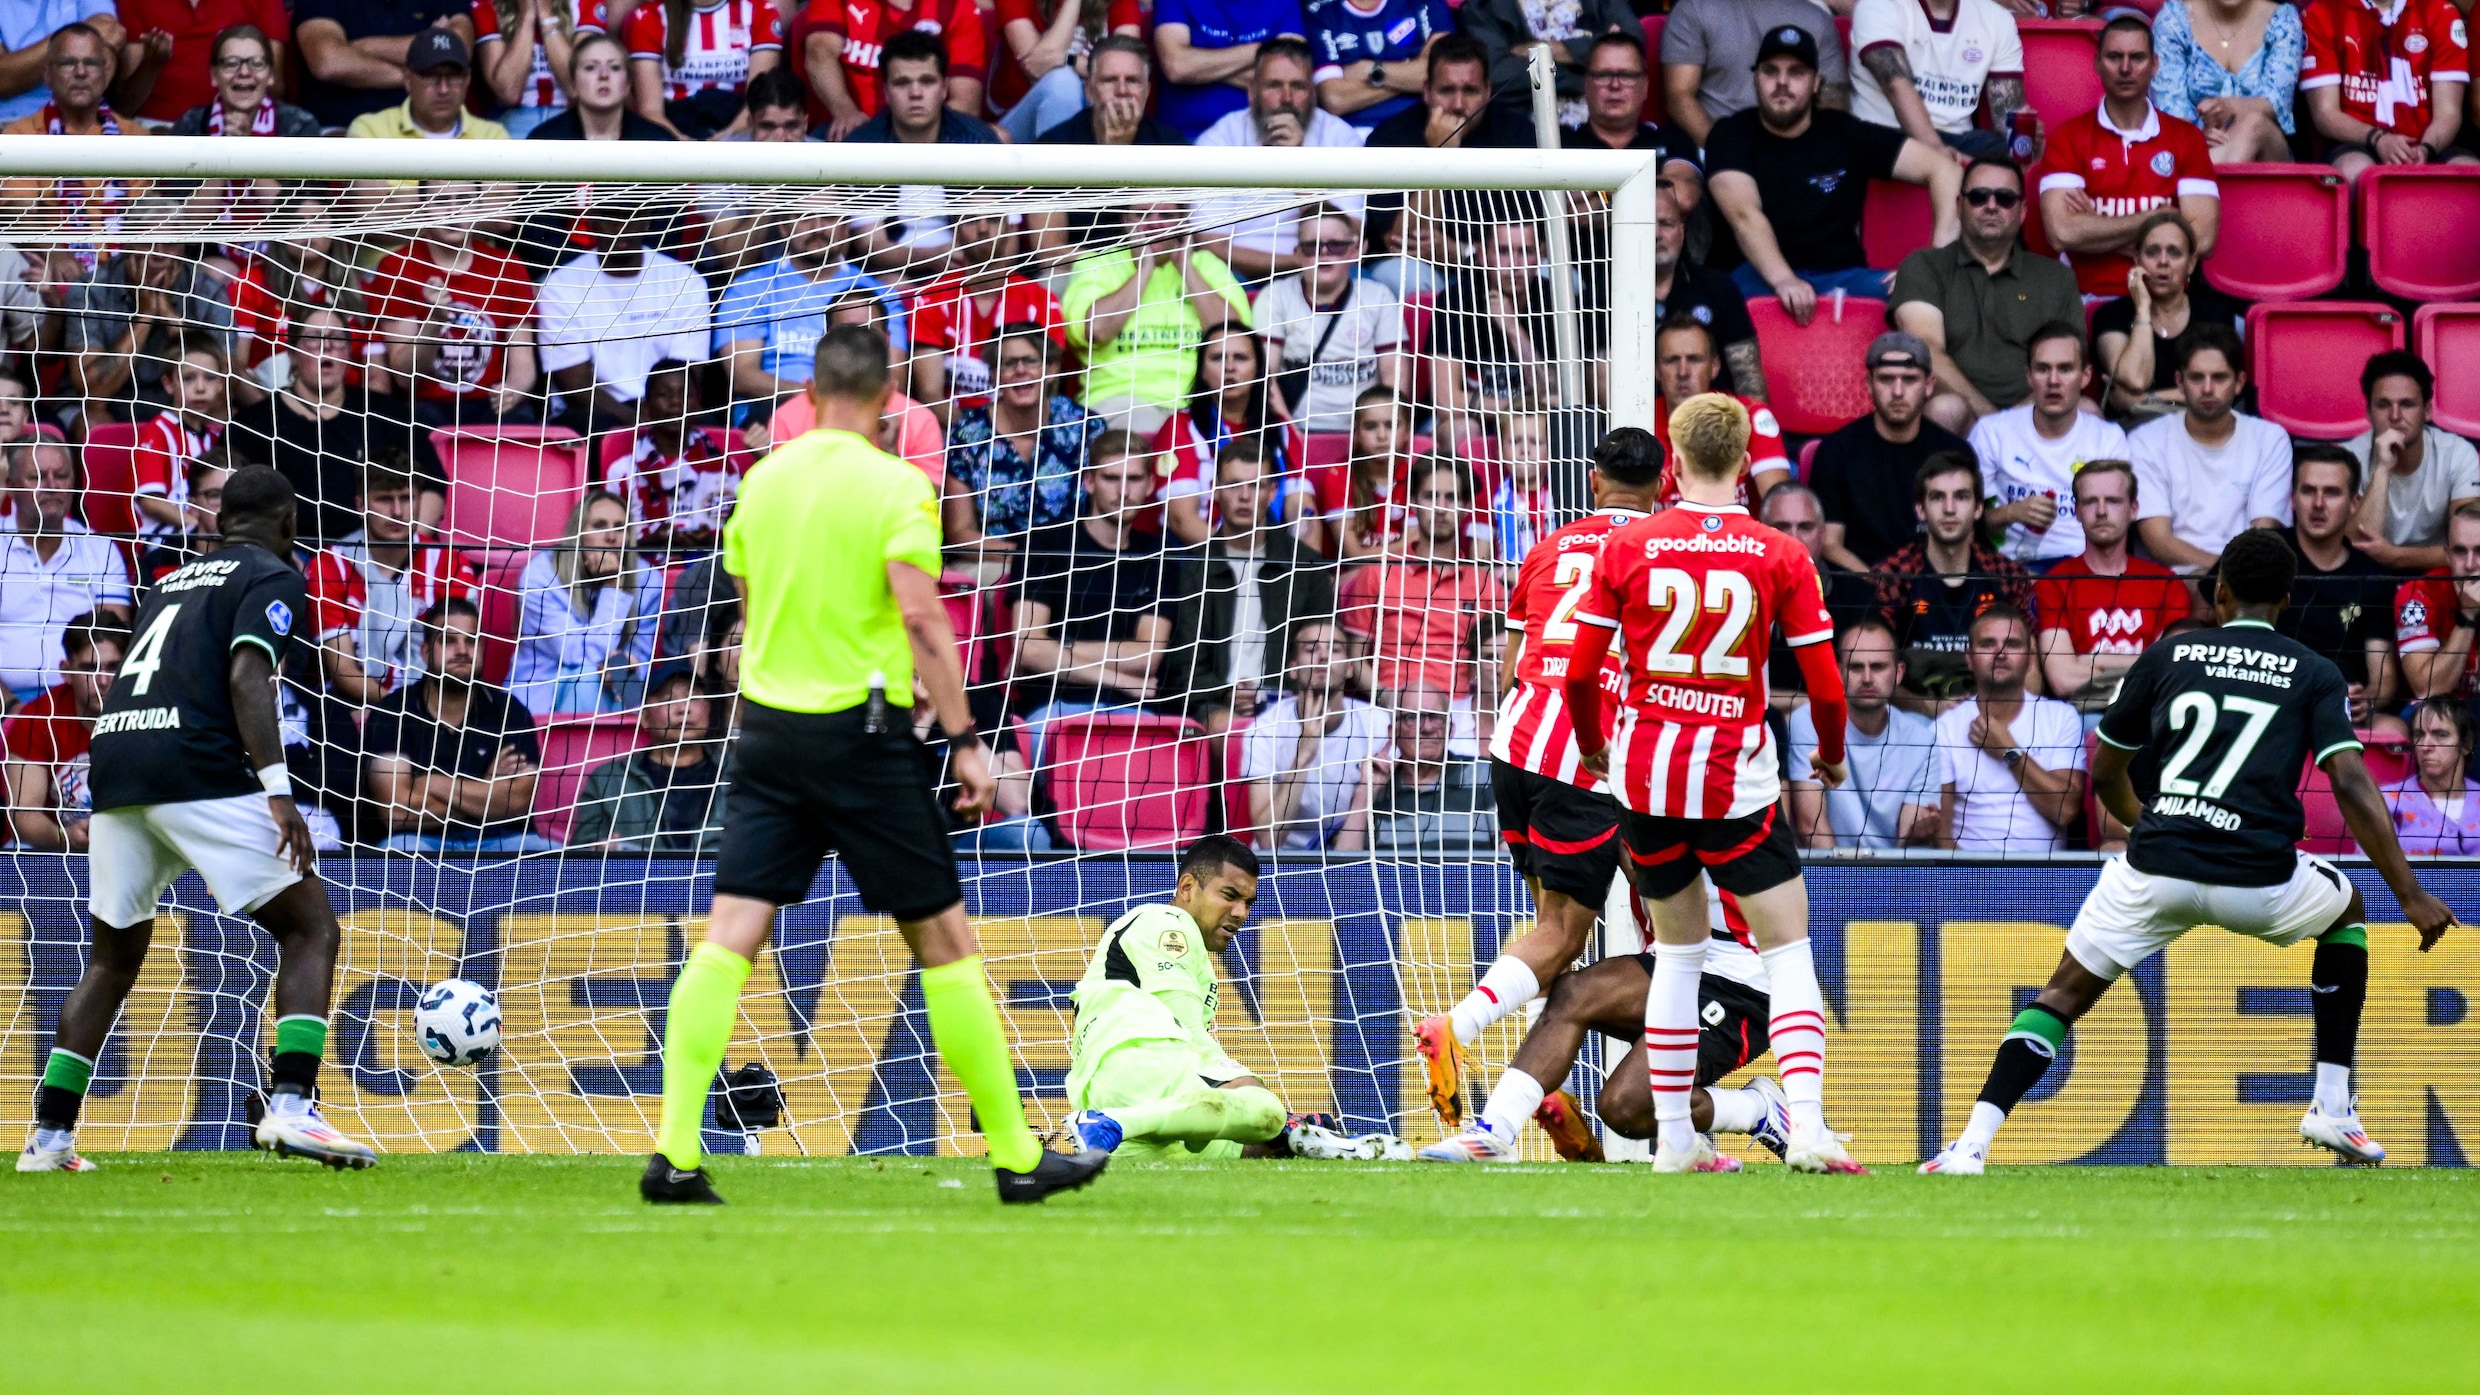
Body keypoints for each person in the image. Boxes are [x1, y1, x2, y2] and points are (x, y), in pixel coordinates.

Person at [641, 324, 1105, 1204]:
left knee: (732, 932)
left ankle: (674, 1153)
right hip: (862, 733)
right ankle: (1014, 1155)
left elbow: (747, 610)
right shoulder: (897, 485)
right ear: (891, 397)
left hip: (770, 733)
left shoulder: (762, 483)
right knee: (943, 939)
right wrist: (967, 740)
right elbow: (924, 619)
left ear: (808, 395)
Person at [1922, 528, 2458, 1174]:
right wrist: (2410, 892)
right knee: (2346, 911)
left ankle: (1971, 1145)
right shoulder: (2315, 672)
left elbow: (2106, 771)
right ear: (2286, 600)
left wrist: (2148, 822)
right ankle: (2332, 1104)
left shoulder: (2168, 656)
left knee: (2061, 994)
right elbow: (2349, 779)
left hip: (2156, 865)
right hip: (2260, 879)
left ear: (2220, 593)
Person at [20, 467, 380, 1174]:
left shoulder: (169, 581)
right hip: (194, 764)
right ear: (287, 521)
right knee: (310, 926)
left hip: (118, 764)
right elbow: (249, 678)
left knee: (112, 958)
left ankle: (50, 1136)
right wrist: (279, 793)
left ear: (220, 521)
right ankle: (292, 1104)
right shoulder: (273, 574)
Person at [1561, 393, 1859, 1175]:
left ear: (1674, 460)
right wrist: (1829, 754)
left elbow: (1582, 671)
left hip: (1649, 779)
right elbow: (1825, 687)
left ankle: (1675, 1141)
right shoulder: (1779, 553)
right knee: (1788, 952)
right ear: (1743, 464)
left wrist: (1594, 746)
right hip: (1735, 784)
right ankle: (1807, 1128)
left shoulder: (1628, 548)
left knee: (1681, 954)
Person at [1414, 426, 1659, 1146]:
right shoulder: (1662, 550)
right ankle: (1452, 1028)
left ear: (1592, 479)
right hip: (1591, 755)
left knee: (1551, 941)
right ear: (1661, 483)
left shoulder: (1551, 546)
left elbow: (1516, 655)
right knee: (1562, 936)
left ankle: (1539, 1104)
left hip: (1514, 746)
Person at [1066, 837, 1377, 1160]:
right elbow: (1188, 1032)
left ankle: (1109, 1126)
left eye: (1248, 903)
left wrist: (1281, 1138)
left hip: (1117, 1094)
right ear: (1187, 887)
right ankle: (1107, 1122)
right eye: (1229, 896)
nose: (1240, 913)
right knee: (1263, 1109)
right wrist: (1253, 1097)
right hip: (1132, 1062)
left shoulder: (1190, 955)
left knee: (1251, 1148)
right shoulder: (1166, 923)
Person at [1420, 902, 1794, 1163]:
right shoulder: (1630, 801)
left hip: (1740, 981)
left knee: (1625, 1108)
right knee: (1574, 993)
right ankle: (1494, 1133)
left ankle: (1756, 1111)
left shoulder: (1696, 802)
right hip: (1671, 962)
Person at [1706, 25, 1963, 322]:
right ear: (1756, 78)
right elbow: (1745, 218)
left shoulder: (1844, 132)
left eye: (1796, 72)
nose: (1782, 82)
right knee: (1726, 306)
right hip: (1757, 278)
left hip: (1844, 278)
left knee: (1920, 298)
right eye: (1770, 71)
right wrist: (1784, 280)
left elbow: (1944, 169)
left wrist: (1934, 264)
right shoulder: (1730, 134)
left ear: (1816, 82)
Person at [1010, 435, 1181, 751]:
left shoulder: (1158, 557)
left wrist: (1058, 650)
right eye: (1111, 478)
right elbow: (1029, 650)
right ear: (1089, 482)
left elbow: (1147, 657)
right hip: (1053, 710)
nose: (1123, 491)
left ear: (1149, 485)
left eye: (1134, 479)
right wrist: (1120, 678)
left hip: (1134, 713)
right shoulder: (1046, 545)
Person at [2034, 16, 2222, 299]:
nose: (2125, 68)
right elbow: (2062, 233)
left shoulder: (2187, 138)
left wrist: (2096, 226)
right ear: (2097, 63)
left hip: (2166, 301)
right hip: (2089, 298)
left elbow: (2204, 240)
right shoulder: (2067, 138)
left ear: (2155, 65)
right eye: (2114, 57)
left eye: (2137, 57)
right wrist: (2155, 219)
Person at [1891, 161, 2084, 436]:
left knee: (2086, 411)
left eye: (2005, 199)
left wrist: (2016, 422)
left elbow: (2071, 362)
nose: (1991, 206)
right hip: (1964, 416)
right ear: (1959, 206)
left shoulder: (2057, 277)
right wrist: (1992, 421)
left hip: (2037, 417)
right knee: (1946, 409)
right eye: (1979, 197)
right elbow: (1927, 351)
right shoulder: (1924, 265)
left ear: (2023, 212)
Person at [228, 309, 446, 548]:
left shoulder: (387, 414)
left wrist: (406, 548)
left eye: (337, 339)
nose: (328, 348)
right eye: (315, 339)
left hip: (377, 555)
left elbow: (433, 484)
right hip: (288, 558)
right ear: (291, 353)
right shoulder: (253, 425)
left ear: (349, 353)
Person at [1164, 438, 1335, 725]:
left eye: (1255, 486)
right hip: (1215, 705)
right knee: (1231, 732)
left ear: (1272, 493)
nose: (1244, 496)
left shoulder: (1307, 566)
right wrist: (1226, 693)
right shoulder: (1192, 569)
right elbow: (1184, 666)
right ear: (1215, 491)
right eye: (1233, 485)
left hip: (1289, 703)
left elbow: (1325, 652)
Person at [362, 597, 550, 854]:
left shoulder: (510, 712)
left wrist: (430, 783)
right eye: (449, 640)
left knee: (547, 852)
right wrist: (485, 788)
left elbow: (518, 801)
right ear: (426, 651)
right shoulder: (393, 711)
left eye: (471, 641)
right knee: (396, 851)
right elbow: (395, 812)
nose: (462, 650)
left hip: (501, 841)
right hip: (422, 843)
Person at [1061, 200, 1249, 436]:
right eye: (1143, 215)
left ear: (1182, 222)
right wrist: (1144, 270)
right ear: (1126, 220)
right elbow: (1095, 330)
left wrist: (1187, 270)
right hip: (1120, 402)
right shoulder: (1097, 263)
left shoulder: (1208, 266)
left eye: (1165, 215)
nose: (1154, 224)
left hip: (1198, 404)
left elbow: (1235, 336)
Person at [301, 456, 480, 703]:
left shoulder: (452, 564)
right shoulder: (328, 566)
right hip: (357, 706)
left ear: (419, 503)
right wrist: (398, 713)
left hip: (437, 704)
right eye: (384, 499)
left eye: (407, 498)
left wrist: (421, 715)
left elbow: (458, 657)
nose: (397, 511)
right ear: (360, 504)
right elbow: (343, 670)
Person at [1194, 40, 1371, 282]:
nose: (1286, 98)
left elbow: (1351, 235)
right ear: (1252, 91)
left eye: (1297, 86)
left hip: (1325, 271)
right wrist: (1300, 263)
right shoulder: (1220, 140)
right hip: (1239, 274)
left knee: (1363, 281)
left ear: (1312, 93)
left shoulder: (1340, 138)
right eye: (1274, 86)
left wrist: (1296, 160)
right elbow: (1212, 247)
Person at [1872, 452, 2037, 709]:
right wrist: (1927, 707)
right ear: (1920, 509)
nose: (1949, 508)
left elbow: (2032, 670)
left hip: (1994, 714)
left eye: (1961, 497)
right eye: (1938, 497)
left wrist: (1990, 714)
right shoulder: (1892, 576)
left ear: (1979, 508)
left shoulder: (2007, 576)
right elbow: (1872, 671)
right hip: (1915, 717)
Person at [537, 202, 712, 439]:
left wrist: (655, 417)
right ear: (591, 220)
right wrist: (634, 420)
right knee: (591, 425)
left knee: (710, 427)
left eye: (631, 216)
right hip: (595, 413)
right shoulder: (559, 286)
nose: (621, 227)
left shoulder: (685, 281)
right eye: (610, 216)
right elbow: (575, 386)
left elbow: (688, 375)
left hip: (669, 409)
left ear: (648, 219)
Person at [2129, 322, 2292, 574]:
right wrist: (2220, 571)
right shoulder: (2146, 441)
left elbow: (2263, 533)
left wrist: (2226, 575)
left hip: (2247, 578)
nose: (2207, 388)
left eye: (2219, 377)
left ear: (2239, 382)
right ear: (2179, 383)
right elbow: (2158, 542)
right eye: (2196, 377)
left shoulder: (2269, 439)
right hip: (2173, 579)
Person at [2032, 460, 2191, 717]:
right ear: (2076, 510)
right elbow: (2061, 679)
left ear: (2133, 509)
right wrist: (2143, 669)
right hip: (2083, 716)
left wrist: (2092, 661)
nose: (2102, 511)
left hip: (2150, 714)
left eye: (2113, 501)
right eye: (2091, 501)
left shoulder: (2166, 584)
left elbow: (2174, 672)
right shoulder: (2054, 583)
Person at [1335, 457, 1504, 699]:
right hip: (1391, 707)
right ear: (1413, 502)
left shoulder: (1486, 586)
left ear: (1466, 506)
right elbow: (1355, 658)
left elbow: (1499, 662)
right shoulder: (1378, 573)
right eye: (1431, 496)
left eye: (1452, 497)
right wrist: (1386, 698)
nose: (1441, 507)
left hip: (1462, 712)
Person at [715, 212, 906, 424]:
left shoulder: (881, 295)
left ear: (846, 226)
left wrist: (835, 402)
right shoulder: (748, 289)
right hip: (769, 418)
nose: (817, 227)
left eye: (828, 218)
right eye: (804, 218)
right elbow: (742, 376)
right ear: (783, 227)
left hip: (859, 415)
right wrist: (817, 397)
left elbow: (895, 376)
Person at [365, 199, 542, 425]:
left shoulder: (508, 266)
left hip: (490, 403)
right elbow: (405, 378)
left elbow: (524, 364)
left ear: (478, 208)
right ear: (423, 209)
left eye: (464, 201)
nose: (453, 211)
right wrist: (435, 320)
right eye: (440, 202)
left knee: (521, 419)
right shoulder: (397, 266)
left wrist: (513, 389)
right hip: (425, 405)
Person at [1970, 324, 2132, 568]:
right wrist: (2011, 513)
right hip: (2009, 569)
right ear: (2029, 376)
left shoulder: (2108, 438)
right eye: (2043, 369)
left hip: (2083, 569)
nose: (2053, 381)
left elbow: (2119, 521)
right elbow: (1963, 521)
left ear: (2085, 376)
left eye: (2065, 369)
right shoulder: (1992, 432)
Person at [1811, 330, 1972, 572]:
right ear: (1869, 384)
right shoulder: (1836, 451)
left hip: (1933, 586)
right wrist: (1880, 587)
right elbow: (1830, 544)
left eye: (1909, 379)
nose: (1897, 391)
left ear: (1929, 386)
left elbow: (1964, 539)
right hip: (1861, 586)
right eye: (1886, 379)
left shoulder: (1954, 452)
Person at [1934, 605, 2087, 852]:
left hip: (2046, 877)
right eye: (1987, 644)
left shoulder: (2061, 717)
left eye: (2013, 644)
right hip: (1970, 876)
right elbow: (1941, 837)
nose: (2000, 653)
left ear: (2029, 659)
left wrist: (2008, 751)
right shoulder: (1945, 728)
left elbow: (2065, 811)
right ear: (1969, 658)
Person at [944, 324, 1105, 551]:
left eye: (1030, 361)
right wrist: (1024, 564)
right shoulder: (967, 435)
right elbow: (960, 532)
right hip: (993, 563)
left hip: (1072, 564)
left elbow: (1105, 515)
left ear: (1051, 369)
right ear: (994, 373)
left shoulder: (1085, 427)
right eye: (1009, 363)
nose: (1020, 370)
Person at [1428, 220, 1583, 453]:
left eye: (1525, 252)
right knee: (1461, 429)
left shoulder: (1554, 300)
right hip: (1479, 419)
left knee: (1567, 422)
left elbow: (1557, 395)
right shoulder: (1455, 301)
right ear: (1482, 255)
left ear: (1540, 256)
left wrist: (1513, 329)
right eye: (1503, 251)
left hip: (1535, 423)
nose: (1515, 265)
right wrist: (1515, 408)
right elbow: (1446, 401)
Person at [2281, 444, 2405, 734]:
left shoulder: (2373, 577)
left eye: (2332, 492)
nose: (2319, 503)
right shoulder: (2261, 554)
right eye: (2309, 490)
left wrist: (2368, 701)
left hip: (2339, 708)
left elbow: (2383, 674)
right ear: (2292, 499)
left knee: (2394, 731)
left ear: (2353, 504)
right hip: (2269, 698)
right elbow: (2212, 622)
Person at [1788, 617, 1940, 850]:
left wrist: (1919, 833)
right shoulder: (1812, 721)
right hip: (1829, 872)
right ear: (1838, 672)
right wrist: (1844, 884)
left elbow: (1907, 841)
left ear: (1898, 673)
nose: (1867, 678)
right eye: (1856, 667)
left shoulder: (1922, 740)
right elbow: (1811, 828)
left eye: (1878, 666)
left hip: (1892, 875)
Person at [0, 440, 133, 704]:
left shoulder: (100, 549)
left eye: (61, 476)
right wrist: (12, 706)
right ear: (12, 486)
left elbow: (113, 642)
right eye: (37, 477)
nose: (52, 485)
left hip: (81, 703)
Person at [509, 490, 664, 716]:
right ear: (578, 533)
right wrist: (613, 586)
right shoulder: (539, 577)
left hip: (618, 691)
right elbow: (576, 653)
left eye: (620, 527)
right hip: (541, 695)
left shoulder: (648, 579)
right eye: (599, 525)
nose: (611, 536)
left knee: (617, 680)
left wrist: (627, 665)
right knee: (586, 678)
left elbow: (642, 656)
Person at [1258, 206, 1404, 436]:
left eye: (1336, 245)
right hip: (1297, 429)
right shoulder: (1275, 296)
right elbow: (1265, 377)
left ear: (1354, 250)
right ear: (1297, 253)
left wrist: (1379, 432)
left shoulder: (1379, 297)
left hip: (1365, 435)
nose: (1324, 253)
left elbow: (1394, 378)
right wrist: (1288, 432)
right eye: (1312, 246)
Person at [2090, 210, 2246, 423]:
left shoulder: (2214, 315)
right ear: (2137, 261)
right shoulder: (2111, 315)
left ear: (2190, 264)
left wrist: (2146, 400)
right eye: (2152, 252)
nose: (2163, 261)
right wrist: (2143, 310)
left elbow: (2212, 391)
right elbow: (2136, 379)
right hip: (2130, 433)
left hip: (2197, 426)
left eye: (2174, 252)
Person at [1241, 617, 1384, 849]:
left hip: (1349, 856)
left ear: (1350, 668)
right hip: (1281, 862)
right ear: (1294, 668)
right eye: (1311, 649)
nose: (1323, 656)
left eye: (1334, 649)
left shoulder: (1377, 723)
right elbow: (1268, 841)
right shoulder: (1263, 730)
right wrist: (1304, 754)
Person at [1154, 323, 1300, 546]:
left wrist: (1304, 567)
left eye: (1241, 358)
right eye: (1218, 358)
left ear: (1259, 370)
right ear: (1202, 370)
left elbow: (1302, 512)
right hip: (1201, 561)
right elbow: (1181, 519)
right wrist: (1239, 561)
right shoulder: (1180, 428)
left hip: (1274, 564)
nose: (1229, 367)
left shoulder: (1282, 430)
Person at [906, 213, 1064, 418]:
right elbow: (931, 395)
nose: (983, 229)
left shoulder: (1041, 301)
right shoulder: (930, 298)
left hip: (1024, 428)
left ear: (1009, 229)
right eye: (971, 220)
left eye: (993, 219)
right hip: (952, 433)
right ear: (956, 230)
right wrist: (978, 434)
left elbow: (1048, 386)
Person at [2300, 0, 2475, 181]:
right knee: (2355, 170)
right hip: (2355, 143)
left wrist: (2425, 149)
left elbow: (2448, 112)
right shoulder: (2322, 12)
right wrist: (2379, 139)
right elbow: (2325, 113)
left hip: (2431, 144)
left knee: (2471, 173)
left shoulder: (2440, 11)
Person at [2345, 350, 2480, 576]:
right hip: (2367, 580)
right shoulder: (2349, 458)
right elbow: (2354, 548)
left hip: (2440, 578)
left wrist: (2397, 557)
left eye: (2407, 404)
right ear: (2368, 412)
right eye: (2383, 405)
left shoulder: (2457, 454)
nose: (2395, 416)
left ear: (2427, 411)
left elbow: (2473, 545)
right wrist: (2383, 469)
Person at [569, 668, 728, 855]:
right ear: (645, 717)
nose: (683, 708)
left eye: (692, 697)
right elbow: (579, 858)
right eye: (668, 700)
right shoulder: (608, 779)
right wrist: (599, 849)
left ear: (709, 710)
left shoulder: (736, 776)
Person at [1660, 0, 1853, 153]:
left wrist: (1805, 157)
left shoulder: (1816, 17)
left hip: (1798, 153)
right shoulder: (1694, 7)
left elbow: (1833, 104)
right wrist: (1728, 154)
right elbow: (1679, 98)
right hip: (1716, 149)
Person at [3, 614, 122, 851]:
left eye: (113, 667)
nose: (103, 680)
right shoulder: (36, 719)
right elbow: (23, 813)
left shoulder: (152, 714)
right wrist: (65, 836)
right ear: (66, 671)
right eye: (89, 668)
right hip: (56, 850)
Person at [1850, 0, 2023, 160]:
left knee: (1999, 151)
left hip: (1959, 139)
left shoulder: (1996, 18)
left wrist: (2024, 140)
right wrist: (1937, 153)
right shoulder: (1877, 5)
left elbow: (2008, 116)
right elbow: (1896, 86)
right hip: (1885, 133)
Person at [793, 0, 984, 141]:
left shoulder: (956, 6)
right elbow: (819, 54)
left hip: (931, 138)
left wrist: (917, 132)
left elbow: (965, 102)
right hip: (845, 130)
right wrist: (846, 111)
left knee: (989, 141)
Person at [1650, 317, 1789, 509]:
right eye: (1672, 360)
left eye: (1694, 359)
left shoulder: (1749, 415)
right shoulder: (1642, 421)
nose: (1683, 372)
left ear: (1714, 367)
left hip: (1739, 538)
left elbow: (1780, 505)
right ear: (1656, 370)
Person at [2148, 0, 2301, 166]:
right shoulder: (2173, 19)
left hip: (2268, 154)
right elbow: (2169, 107)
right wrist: (2197, 135)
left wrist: (2231, 107)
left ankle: (2197, 182)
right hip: (2190, 147)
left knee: (2254, 124)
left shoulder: (2283, 19)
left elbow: (2277, 100)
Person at [291, 0, 473, 132]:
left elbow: (459, 48)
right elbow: (328, 62)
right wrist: (416, 73)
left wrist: (363, 47)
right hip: (343, 128)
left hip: (429, 127)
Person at [1652, 189, 1761, 400]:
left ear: (1682, 230)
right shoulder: (1607, 295)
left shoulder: (1719, 287)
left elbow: (1748, 377)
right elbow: (1602, 382)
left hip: (1717, 424)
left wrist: (1754, 428)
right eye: (1646, 226)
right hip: (1642, 426)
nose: (1656, 234)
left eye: (1666, 224)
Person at [623, 0, 783, 141]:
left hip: (739, 125)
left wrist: (729, 136)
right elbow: (650, 110)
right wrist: (681, 141)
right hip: (675, 126)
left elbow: (758, 101)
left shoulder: (760, 11)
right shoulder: (650, 16)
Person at [1151, 0, 1307, 141]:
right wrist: (1263, 49)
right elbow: (1177, 66)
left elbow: (1291, 74)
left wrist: (1202, 63)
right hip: (1184, 137)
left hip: (1262, 136)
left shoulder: (1284, 2)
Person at [1369, 680, 1494, 853]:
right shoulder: (1378, 788)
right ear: (1393, 732)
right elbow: (1344, 871)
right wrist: (1365, 793)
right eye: (1413, 717)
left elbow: (1510, 862)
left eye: (1435, 717)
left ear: (1450, 730)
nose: (1426, 728)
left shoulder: (1484, 776)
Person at [1457, 0, 1641, 116]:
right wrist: (1590, 76)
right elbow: (1496, 77)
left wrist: (1549, 50)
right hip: (1524, 132)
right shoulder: (1483, 7)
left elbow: (1632, 43)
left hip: (1602, 129)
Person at [994, 0, 1143, 143]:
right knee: (1062, 82)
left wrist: (1068, 59)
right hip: (1018, 131)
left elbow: (1124, 67)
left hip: (1094, 116)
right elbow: (1036, 67)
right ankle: (1060, 167)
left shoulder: (1120, 2)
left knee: (1107, 89)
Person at [1362, 32, 1527, 154]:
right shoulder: (1389, 141)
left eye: (1470, 91)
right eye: (1446, 90)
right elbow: (1402, 204)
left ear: (1487, 91)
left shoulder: (1519, 136)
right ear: (1427, 91)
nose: (1458, 104)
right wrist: (1441, 156)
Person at [1307, 0, 1450, 131]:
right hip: (1354, 133)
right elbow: (1334, 99)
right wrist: (1410, 73)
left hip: (1422, 127)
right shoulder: (1320, 10)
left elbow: (1442, 75)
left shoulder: (1426, 2)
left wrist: (1372, 71)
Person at [346, 29, 511, 141]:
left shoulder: (492, 136)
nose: (443, 89)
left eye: (453, 76)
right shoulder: (371, 131)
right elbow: (372, 194)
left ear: (467, 79)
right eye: (431, 76)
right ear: (408, 79)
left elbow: (502, 194)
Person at [2394, 502, 2480, 707]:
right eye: (2460, 551)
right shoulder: (2418, 596)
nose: (2470, 564)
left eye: (2479, 551)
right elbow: (2426, 689)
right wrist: (2468, 616)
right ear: (2447, 554)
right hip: (2436, 715)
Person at [165, 24, 320, 137]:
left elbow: (308, 183)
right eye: (231, 63)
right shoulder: (191, 124)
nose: (244, 72)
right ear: (214, 75)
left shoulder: (300, 125)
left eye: (257, 63)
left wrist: (245, 152)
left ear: (271, 74)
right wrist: (227, 152)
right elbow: (179, 183)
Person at [1030, 32, 1182, 145]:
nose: (1122, 90)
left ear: (1147, 91)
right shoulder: (1055, 145)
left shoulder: (1172, 146)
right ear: (1089, 91)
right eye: (1109, 80)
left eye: (1132, 80)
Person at [472, 0, 598, 138]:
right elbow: (508, 92)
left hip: (571, 114)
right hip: (514, 116)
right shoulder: (487, 4)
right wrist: (527, 16)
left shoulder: (586, 2)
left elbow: (576, 87)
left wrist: (546, 15)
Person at [525, 29, 677, 140]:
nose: (604, 75)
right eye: (591, 67)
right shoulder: (545, 141)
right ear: (573, 85)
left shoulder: (656, 142)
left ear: (628, 85)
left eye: (614, 67)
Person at [0, 1, 124, 126]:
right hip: (10, 121)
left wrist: (24, 62)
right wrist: (80, 37)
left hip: (79, 119)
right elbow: (4, 79)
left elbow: (109, 32)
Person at [2384, 700, 2480, 855]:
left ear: (2466, 744)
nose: (2425, 746)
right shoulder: (2386, 801)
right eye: (2418, 735)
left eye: (2440, 735)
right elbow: (2369, 874)